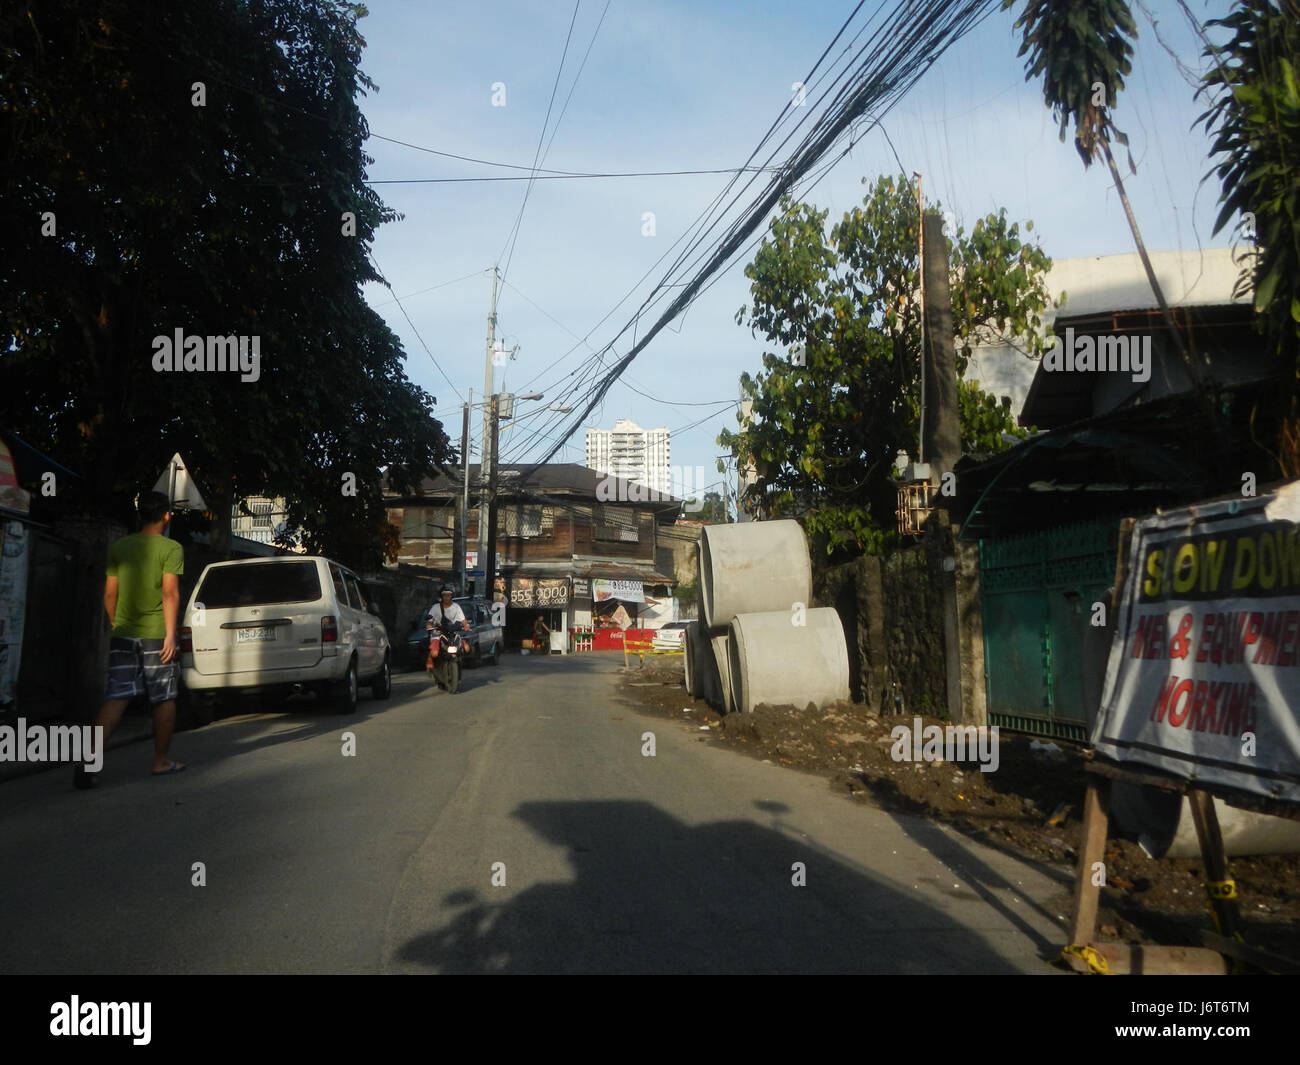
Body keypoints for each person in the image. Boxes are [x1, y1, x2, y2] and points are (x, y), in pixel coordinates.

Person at [75, 491, 185, 788]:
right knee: (163, 697)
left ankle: (88, 762)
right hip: (156, 635)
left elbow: (109, 594)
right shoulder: (171, 548)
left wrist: (115, 622)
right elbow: (169, 593)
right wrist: (171, 635)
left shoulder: (120, 547)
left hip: (123, 635)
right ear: (165, 515)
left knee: (117, 696)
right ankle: (160, 761)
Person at [425, 585, 470, 665]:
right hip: (438, 633)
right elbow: (429, 620)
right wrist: (429, 625)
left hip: (452, 633)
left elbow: (463, 620)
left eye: (448, 595)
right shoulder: (435, 607)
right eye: (444, 595)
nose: (446, 597)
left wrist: (466, 626)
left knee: (466, 648)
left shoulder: (456, 607)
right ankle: (431, 661)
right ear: (441, 597)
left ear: (451, 596)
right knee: (434, 653)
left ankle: (460, 661)